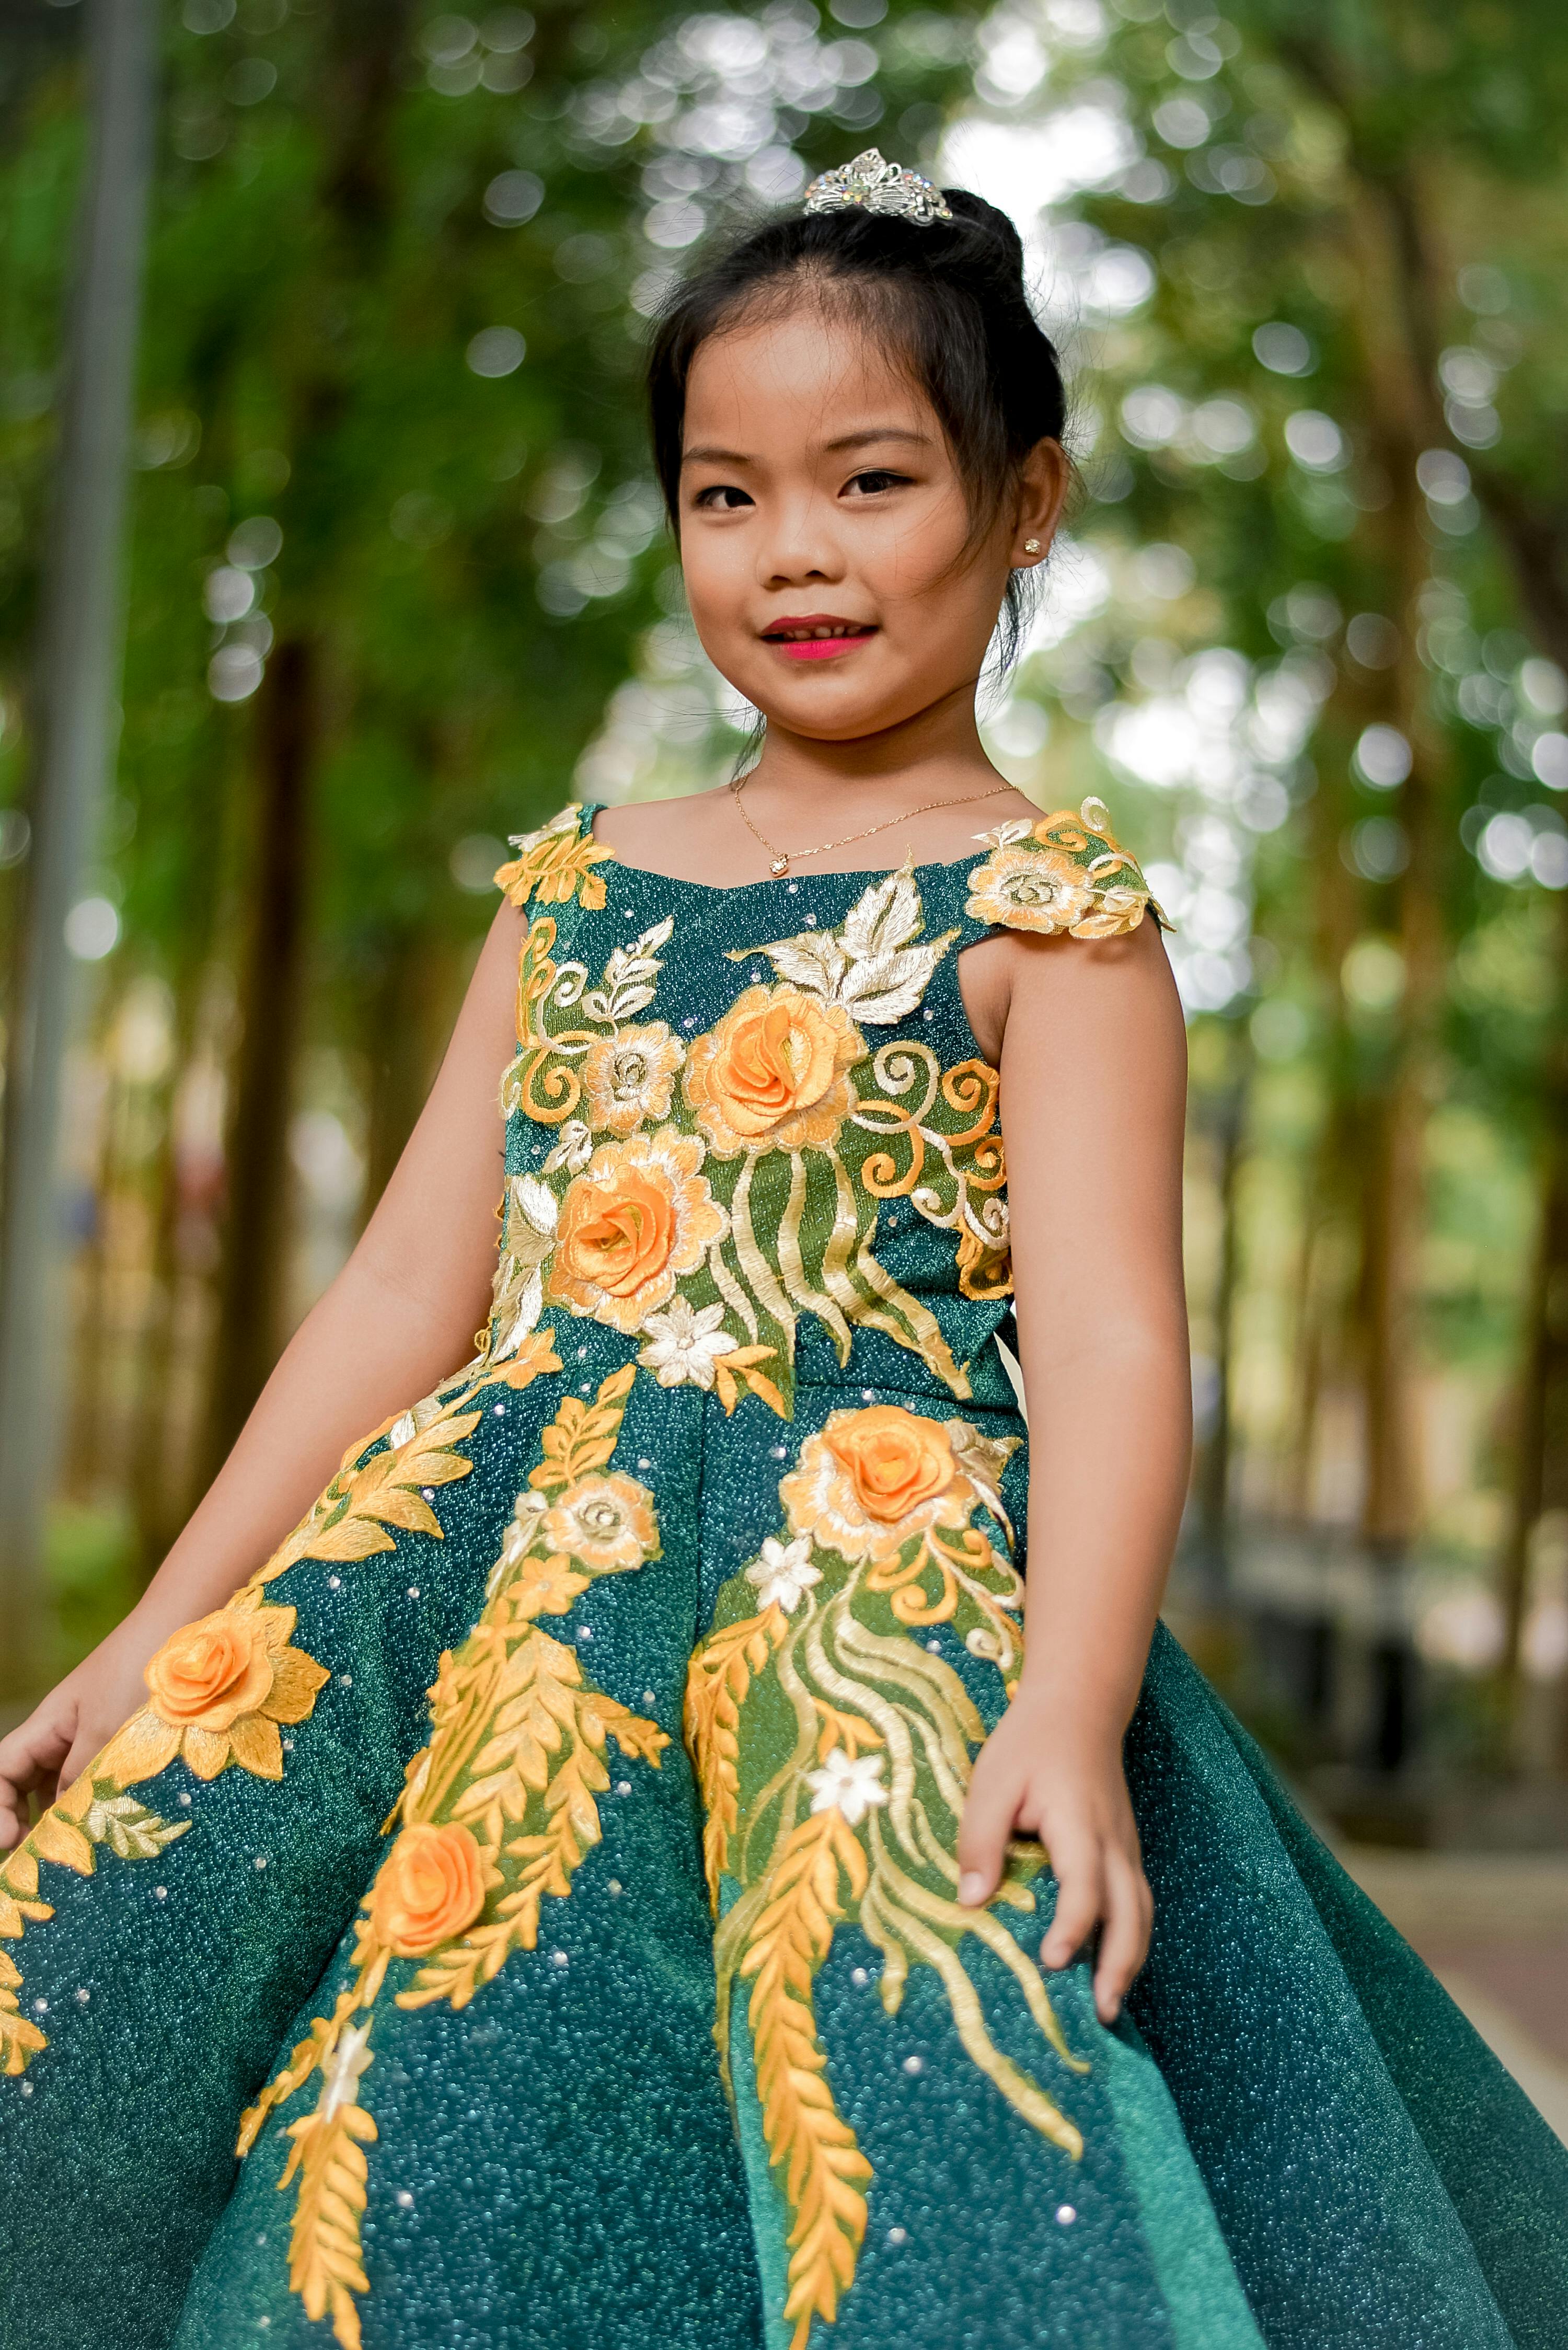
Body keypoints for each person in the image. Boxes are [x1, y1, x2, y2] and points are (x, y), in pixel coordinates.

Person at [0, 149, 1562, 2350]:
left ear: (1028, 503)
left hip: (870, 1659)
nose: (793, 550)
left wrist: (1072, 1705)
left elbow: (1114, 1346)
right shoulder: (574, 886)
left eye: (871, 481)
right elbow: (399, 1295)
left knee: (909, 2133)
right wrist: (159, 1631)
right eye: (724, 496)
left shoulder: (1049, 922)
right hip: (490, 1617)